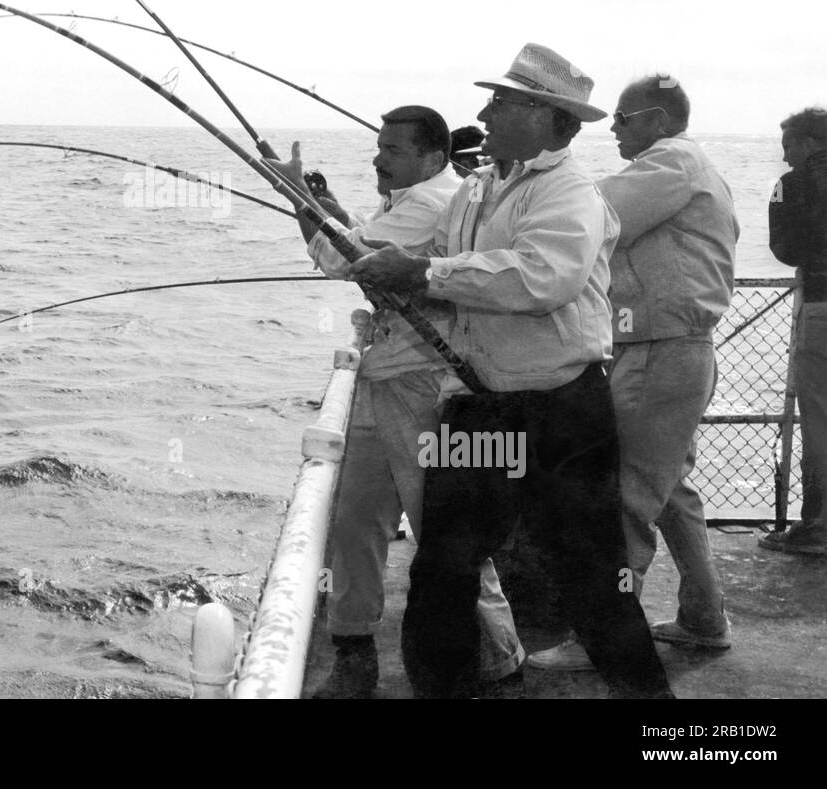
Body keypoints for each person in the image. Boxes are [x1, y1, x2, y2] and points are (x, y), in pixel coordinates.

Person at [351, 43, 673, 699]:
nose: (485, 110)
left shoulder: (571, 193)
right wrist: (385, 266)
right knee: (441, 571)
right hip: (477, 406)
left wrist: (421, 274)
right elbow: (435, 262)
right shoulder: (473, 188)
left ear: (548, 115)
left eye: (502, 100)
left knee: (593, 583)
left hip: (562, 411)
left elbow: (541, 277)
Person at [270, 106, 524, 698]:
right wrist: (318, 203)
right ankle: (353, 644)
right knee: (355, 515)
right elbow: (360, 239)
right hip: (383, 374)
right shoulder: (414, 197)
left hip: (422, 384)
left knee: (442, 526)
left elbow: (345, 258)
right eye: (379, 146)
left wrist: (291, 195)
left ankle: (497, 655)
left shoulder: (436, 202)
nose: (378, 158)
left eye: (393, 150)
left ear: (433, 158)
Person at [529, 75, 737, 672]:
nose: (613, 128)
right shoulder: (696, 167)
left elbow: (591, 213)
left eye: (621, 118)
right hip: (677, 351)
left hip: (655, 351)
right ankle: (704, 617)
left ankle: (607, 637)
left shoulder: (671, 160)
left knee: (623, 495)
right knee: (670, 492)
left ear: (658, 119)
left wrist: (522, 191)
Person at [763, 106, 827, 555]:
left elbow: (785, 250)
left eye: (788, 146)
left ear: (808, 144)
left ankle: (818, 528)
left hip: (823, 307)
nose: (785, 157)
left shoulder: (793, 185)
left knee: (820, 424)